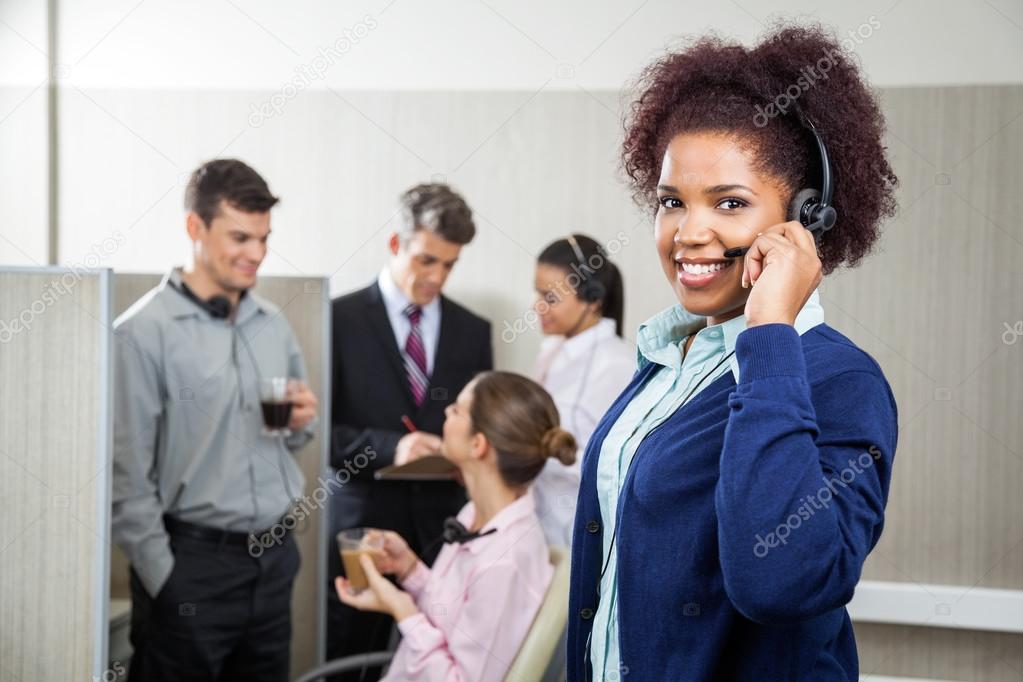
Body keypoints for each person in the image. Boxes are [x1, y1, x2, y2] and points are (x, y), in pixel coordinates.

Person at [568, 24, 900, 681]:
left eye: (728, 202)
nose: (690, 232)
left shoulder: (839, 380)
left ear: (804, 219)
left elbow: (779, 580)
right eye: (671, 202)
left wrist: (769, 331)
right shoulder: (667, 364)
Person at [112, 158, 319, 681]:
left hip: (273, 562)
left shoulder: (272, 324)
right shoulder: (142, 332)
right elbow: (125, 479)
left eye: (264, 238)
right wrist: (168, 578)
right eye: (241, 237)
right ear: (194, 228)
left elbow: (296, 438)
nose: (257, 254)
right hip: (192, 567)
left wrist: (300, 421)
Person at [328, 183, 493, 678]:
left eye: (449, 265)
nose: (436, 277)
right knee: (348, 659)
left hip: (441, 533)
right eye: (427, 261)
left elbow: (480, 431)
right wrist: (392, 446)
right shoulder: (337, 319)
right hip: (360, 528)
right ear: (396, 244)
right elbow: (321, 435)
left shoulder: (474, 330)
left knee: (436, 660)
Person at [335, 371, 576, 681]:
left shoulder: (504, 563)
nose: (446, 411)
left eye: (457, 410)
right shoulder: (473, 516)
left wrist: (403, 610)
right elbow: (452, 617)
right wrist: (410, 570)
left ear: (477, 445)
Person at [531, 234, 635, 546]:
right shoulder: (551, 351)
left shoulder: (618, 365)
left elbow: (616, 467)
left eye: (550, 298)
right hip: (539, 526)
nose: (538, 306)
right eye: (537, 294)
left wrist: (530, 453)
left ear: (593, 298)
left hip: (579, 532)